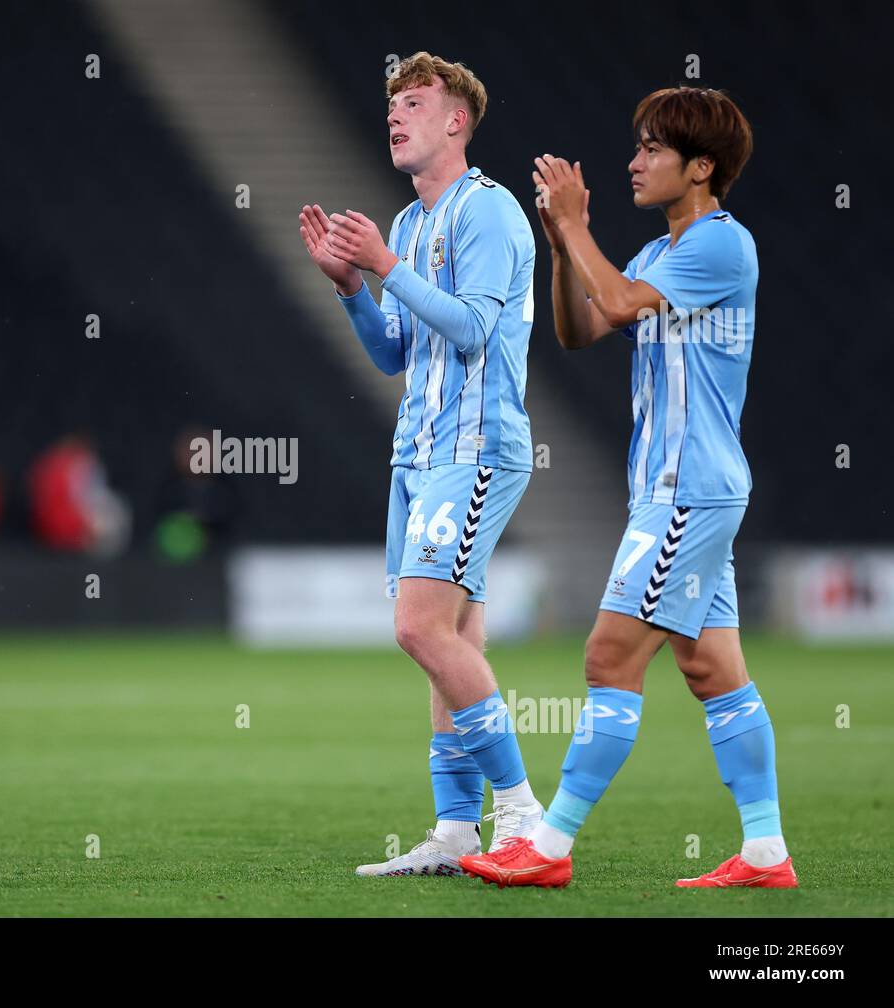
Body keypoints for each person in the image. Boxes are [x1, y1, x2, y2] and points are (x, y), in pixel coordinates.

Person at [462, 87, 796, 888]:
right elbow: (580, 329)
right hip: (674, 492)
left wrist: (580, 228)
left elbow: (612, 302)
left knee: (609, 656)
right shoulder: (655, 258)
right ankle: (764, 853)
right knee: (714, 672)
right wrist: (557, 243)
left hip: (691, 490)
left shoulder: (723, 244)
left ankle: (546, 847)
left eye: (651, 149)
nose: (632, 162)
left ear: (702, 167)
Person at [299, 52, 542, 875]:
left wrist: (387, 269)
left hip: (476, 449)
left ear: (456, 122)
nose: (397, 114)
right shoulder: (405, 226)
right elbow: (391, 355)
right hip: (418, 453)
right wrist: (351, 289)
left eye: (415, 102)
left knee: (417, 627)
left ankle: (522, 815)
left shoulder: (491, 212)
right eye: (393, 103)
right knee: (450, 635)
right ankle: (456, 832)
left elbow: (474, 330)